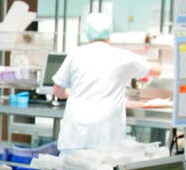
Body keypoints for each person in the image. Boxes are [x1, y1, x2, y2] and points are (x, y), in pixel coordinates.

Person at [52, 12, 158, 151]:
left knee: (70, 169)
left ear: (86, 32)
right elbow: (156, 70)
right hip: (105, 132)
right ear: (109, 33)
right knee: (102, 169)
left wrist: (67, 94)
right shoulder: (122, 56)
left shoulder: (75, 54)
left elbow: (58, 90)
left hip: (75, 132)